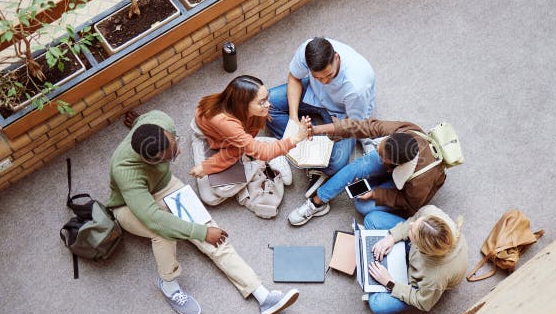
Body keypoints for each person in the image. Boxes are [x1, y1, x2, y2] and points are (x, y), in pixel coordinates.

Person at [107, 110, 299, 314]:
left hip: (163, 187)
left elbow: (145, 120)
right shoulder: (125, 171)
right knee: (163, 234)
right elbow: (154, 219)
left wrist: (138, 122)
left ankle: (264, 297)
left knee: (218, 241)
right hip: (127, 206)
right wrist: (201, 232)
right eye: (171, 155)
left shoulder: (161, 119)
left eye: (175, 143)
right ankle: (168, 284)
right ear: (150, 160)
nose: (179, 152)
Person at [265, 37, 376, 196]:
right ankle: (295, 144)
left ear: (336, 58)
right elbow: (294, 77)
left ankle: (296, 147)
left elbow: (354, 125)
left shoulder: (356, 86)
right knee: (266, 105)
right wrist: (294, 118)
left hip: (343, 114)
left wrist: (315, 130)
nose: (324, 82)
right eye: (318, 77)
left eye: (329, 75)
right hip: (314, 95)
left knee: (336, 164)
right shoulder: (307, 50)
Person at [288, 118, 445, 226]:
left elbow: (408, 203)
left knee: (363, 206)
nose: (378, 151)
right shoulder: (405, 130)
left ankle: (372, 183)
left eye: (381, 154)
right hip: (396, 165)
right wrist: (315, 130)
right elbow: (364, 126)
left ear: (396, 163)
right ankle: (317, 203)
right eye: (379, 145)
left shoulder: (421, 183)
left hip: (407, 188)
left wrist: (376, 194)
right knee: (360, 165)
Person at [189, 75, 312, 207]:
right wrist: (297, 137)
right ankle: (261, 157)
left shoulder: (249, 111)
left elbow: (239, 145)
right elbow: (236, 149)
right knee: (210, 198)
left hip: (235, 139)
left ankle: (265, 152)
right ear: (242, 105)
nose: (268, 104)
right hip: (208, 137)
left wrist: (209, 166)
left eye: (267, 98)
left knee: (216, 191)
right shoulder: (224, 121)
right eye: (262, 102)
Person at [363, 204, 467, 314]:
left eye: (412, 231)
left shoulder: (434, 278)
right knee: (371, 219)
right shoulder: (430, 212)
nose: (411, 225)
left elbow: (423, 302)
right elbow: (413, 220)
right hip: (421, 250)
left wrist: (390, 283)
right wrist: (393, 237)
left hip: (424, 280)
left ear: (419, 247)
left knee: (377, 305)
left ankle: (390, 280)